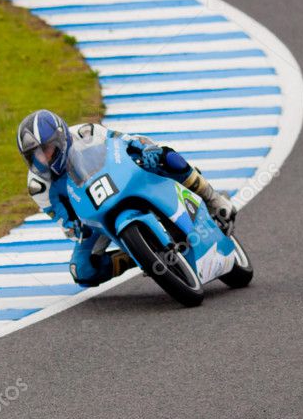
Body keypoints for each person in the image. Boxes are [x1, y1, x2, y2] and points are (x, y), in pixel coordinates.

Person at [17, 109, 236, 287]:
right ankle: (139, 257)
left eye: (45, 149)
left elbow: (125, 142)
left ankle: (212, 198)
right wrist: (75, 228)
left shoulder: (87, 133)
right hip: (90, 214)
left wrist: (147, 149)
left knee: (166, 156)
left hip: (122, 177)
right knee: (81, 271)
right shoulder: (38, 185)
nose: (42, 158)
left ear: (60, 138)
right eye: (34, 155)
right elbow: (62, 218)